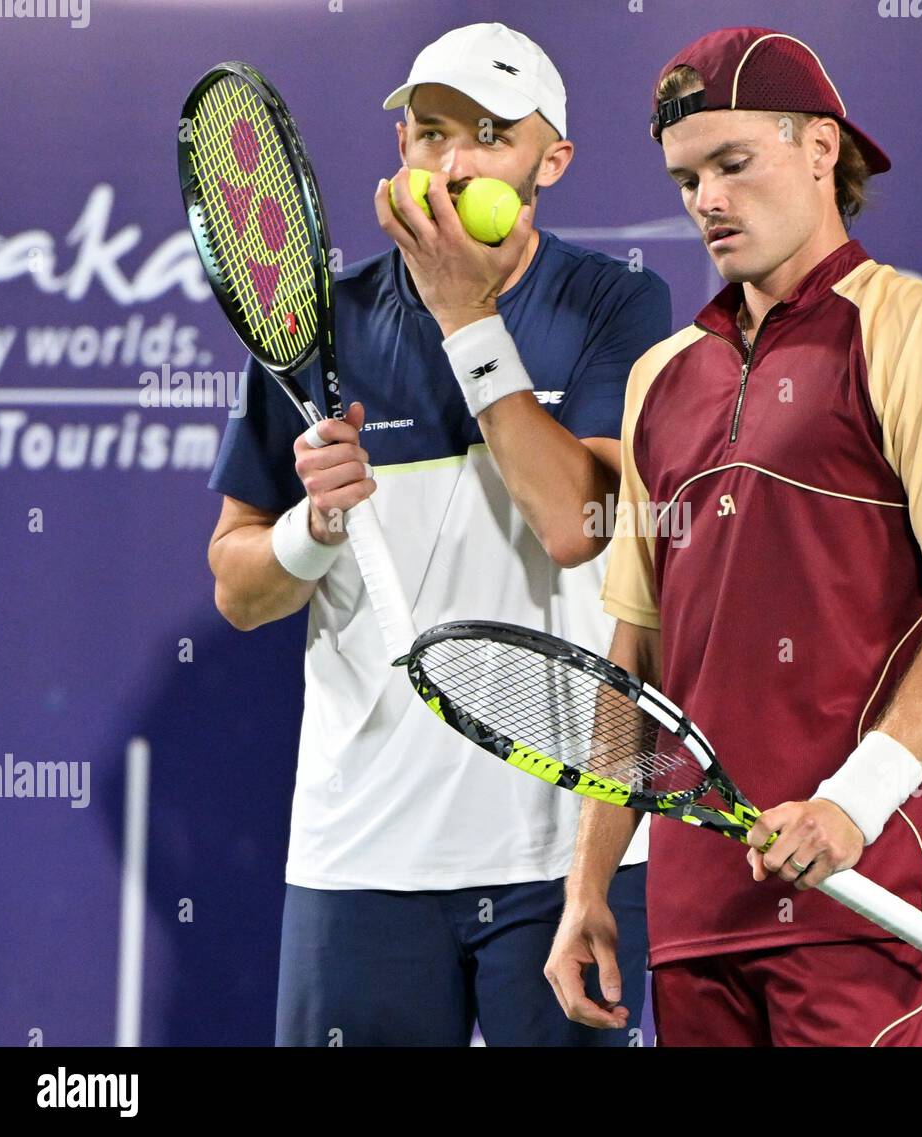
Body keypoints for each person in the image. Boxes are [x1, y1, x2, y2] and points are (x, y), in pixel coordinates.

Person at [545, 26, 922, 1046]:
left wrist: (851, 805)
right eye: (685, 179)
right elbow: (636, 657)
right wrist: (589, 881)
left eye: (731, 164)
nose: (705, 201)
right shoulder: (658, 381)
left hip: (868, 899)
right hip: (692, 918)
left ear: (819, 149)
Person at [207, 21, 669, 1046]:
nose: (452, 164)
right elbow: (239, 589)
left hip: (568, 857)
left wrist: (466, 321)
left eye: (490, 136)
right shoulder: (314, 322)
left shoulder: (619, 303)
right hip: (363, 858)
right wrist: (315, 528)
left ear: (551, 162)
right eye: (427, 134)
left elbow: (572, 524)